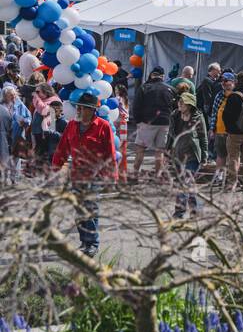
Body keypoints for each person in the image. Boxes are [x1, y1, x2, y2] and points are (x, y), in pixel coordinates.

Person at [52, 94, 117, 256]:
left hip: (94, 174)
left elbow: (110, 152)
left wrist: (112, 177)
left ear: (91, 110)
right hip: (76, 173)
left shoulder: (103, 126)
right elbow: (63, 147)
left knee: (90, 208)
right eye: (77, 107)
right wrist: (55, 168)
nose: (78, 110)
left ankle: (93, 243)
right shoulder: (72, 125)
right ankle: (84, 241)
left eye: (81, 108)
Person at [167, 91, 208, 218]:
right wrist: (167, 151)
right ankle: (196, 210)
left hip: (192, 156)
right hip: (178, 155)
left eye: (182, 102)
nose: (179, 104)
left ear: (189, 105)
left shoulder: (198, 117)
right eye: (179, 102)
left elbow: (203, 137)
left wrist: (205, 156)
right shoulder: (175, 116)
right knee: (188, 185)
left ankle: (179, 212)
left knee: (184, 184)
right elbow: (170, 136)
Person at [131, 66, 175, 181]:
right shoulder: (170, 89)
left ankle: (135, 175)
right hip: (165, 122)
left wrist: (138, 121)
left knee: (140, 149)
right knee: (159, 151)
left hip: (147, 122)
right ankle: (157, 177)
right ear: (163, 76)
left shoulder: (144, 88)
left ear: (151, 75)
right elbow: (175, 107)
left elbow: (136, 107)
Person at [196, 62, 223, 158]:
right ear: (212, 70)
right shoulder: (207, 81)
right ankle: (207, 153)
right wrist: (210, 113)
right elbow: (207, 98)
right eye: (218, 70)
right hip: (204, 111)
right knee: (208, 131)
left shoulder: (212, 81)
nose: (220, 72)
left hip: (206, 110)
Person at [38, 98, 68, 165]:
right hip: (48, 152)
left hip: (57, 153)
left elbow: (65, 138)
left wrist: (51, 132)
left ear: (60, 111)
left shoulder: (64, 122)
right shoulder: (52, 120)